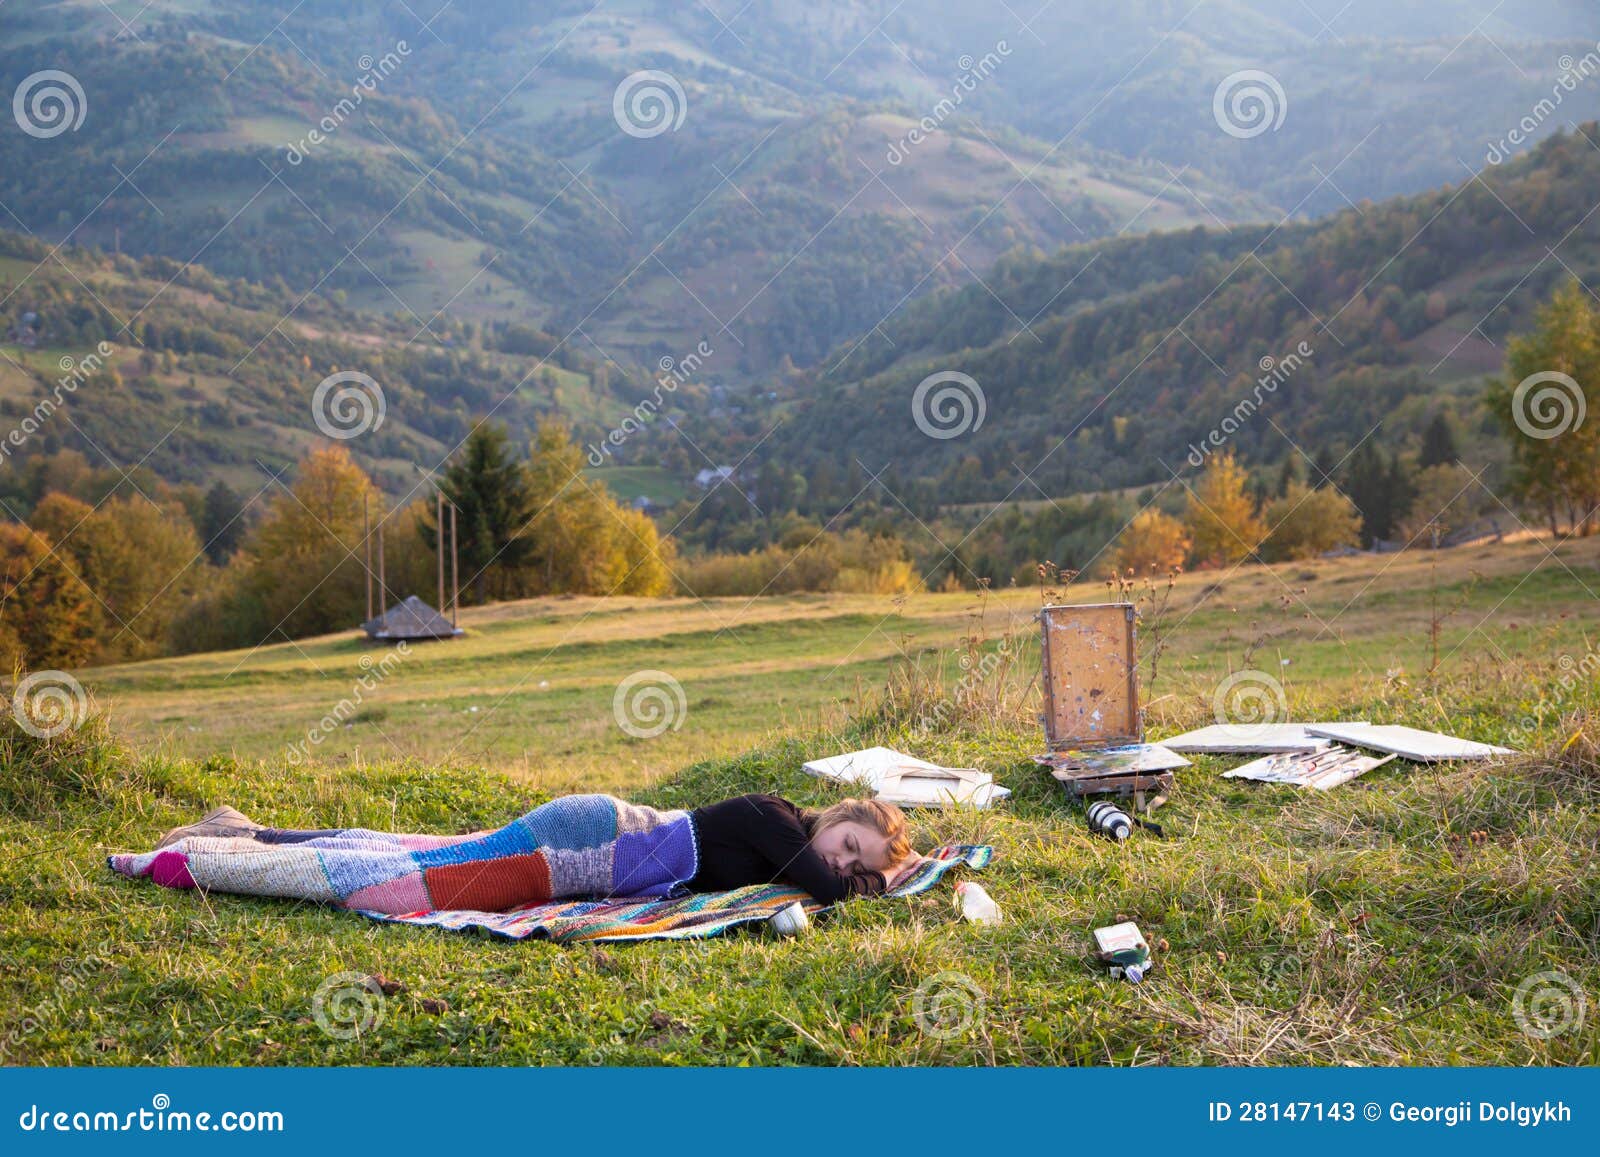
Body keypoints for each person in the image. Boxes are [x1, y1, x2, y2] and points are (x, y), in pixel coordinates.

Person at [151, 792, 931, 909]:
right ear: (834, 818)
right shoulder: (776, 819)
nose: (839, 862)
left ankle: (237, 831)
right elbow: (825, 893)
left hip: (590, 854)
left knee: (418, 853)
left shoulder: (788, 856)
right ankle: (197, 862)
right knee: (410, 883)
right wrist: (878, 884)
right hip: (589, 836)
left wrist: (874, 874)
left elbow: (825, 889)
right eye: (848, 844)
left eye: (854, 863)